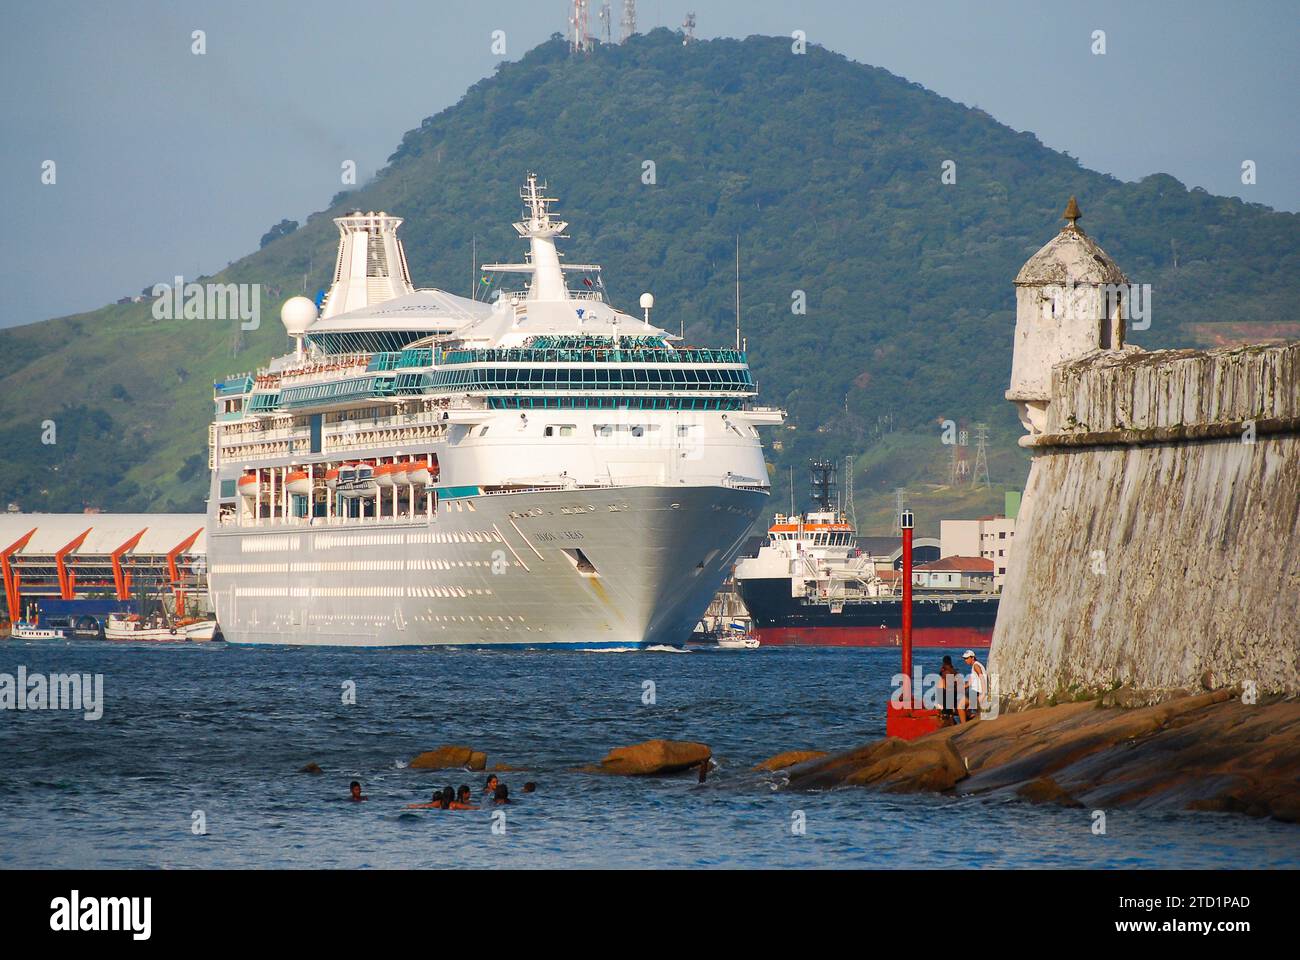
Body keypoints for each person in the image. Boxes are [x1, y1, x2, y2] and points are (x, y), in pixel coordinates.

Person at [962, 649, 988, 720]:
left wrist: (983, 693)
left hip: (978, 692)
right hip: (975, 691)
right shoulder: (974, 666)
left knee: (961, 706)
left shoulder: (976, 665)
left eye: (967, 658)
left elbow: (982, 678)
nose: (965, 660)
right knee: (965, 708)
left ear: (972, 657)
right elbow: (969, 683)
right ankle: (972, 718)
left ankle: (964, 725)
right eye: (964, 658)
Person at [937, 656, 960, 723]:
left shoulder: (944, 670)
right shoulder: (953, 670)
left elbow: (945, 685)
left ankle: (947, 717)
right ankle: (950, 716)